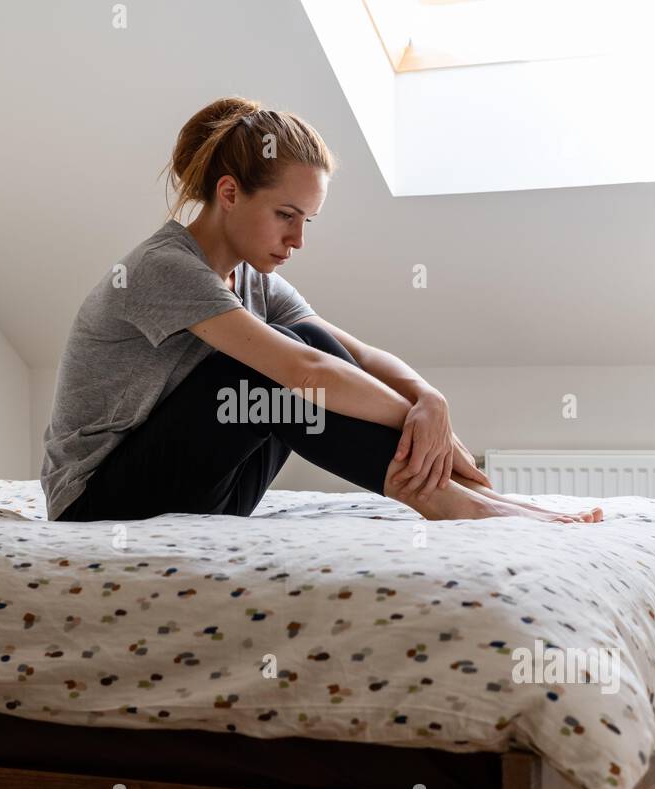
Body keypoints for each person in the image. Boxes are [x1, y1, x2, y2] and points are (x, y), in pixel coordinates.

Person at [41, 96, 601, 525]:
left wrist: (431, 400)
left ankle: (472, 496)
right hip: (96, 505)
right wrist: (416, 426)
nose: (296, 240)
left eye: (306, 220)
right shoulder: (165, 267)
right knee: (264, 369)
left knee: (302, 336)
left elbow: (352, 353)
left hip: (205, 496)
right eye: (286, 214)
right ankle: (446, 498)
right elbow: (307, 374)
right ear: (230, 193)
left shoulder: (252, 280)